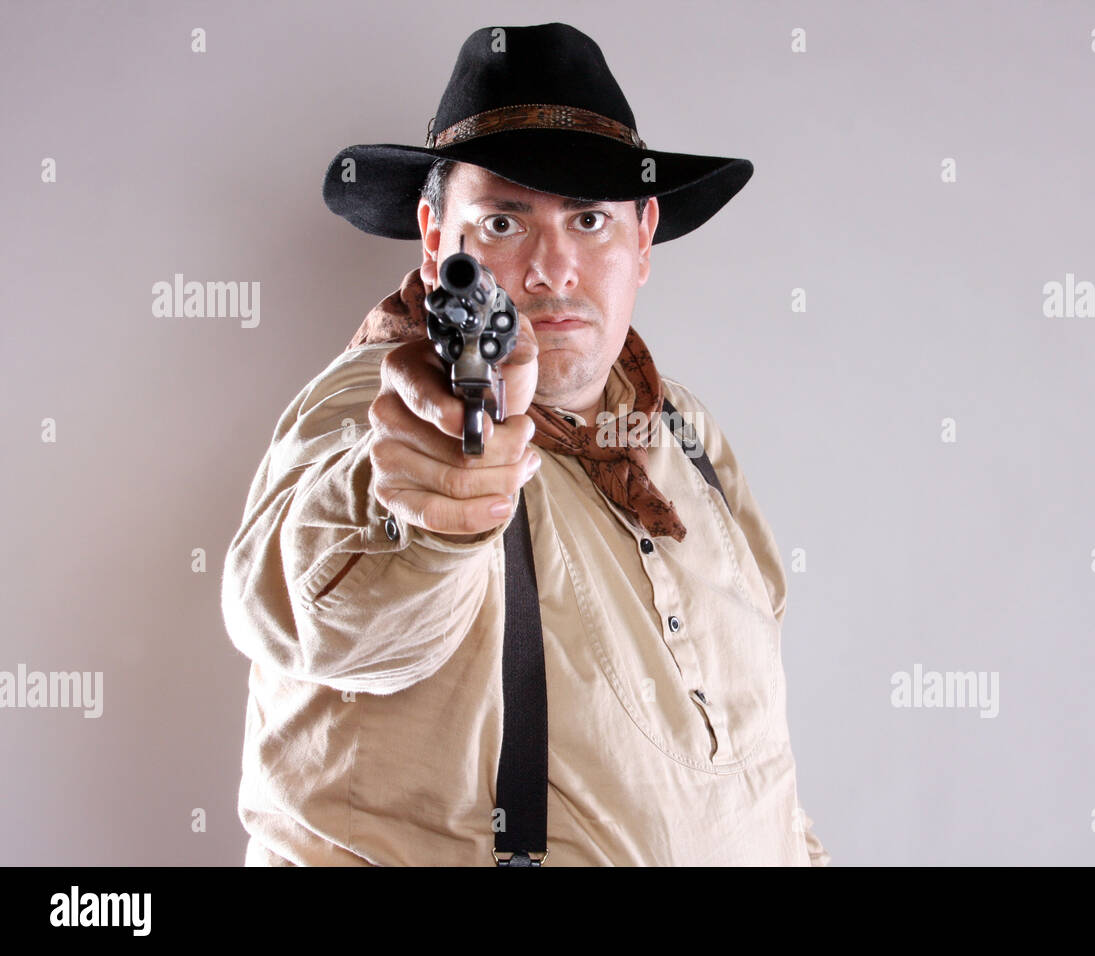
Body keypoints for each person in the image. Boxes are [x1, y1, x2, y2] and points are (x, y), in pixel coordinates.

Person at [221, 21, 830, 866]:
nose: (554, 268)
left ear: (643, 236)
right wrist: (425, 503)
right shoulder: (378, 405)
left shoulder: (684, 434)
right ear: (437, 239)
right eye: (504, 224)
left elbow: (759, 764)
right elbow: (314, 611)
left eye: (589, 219)